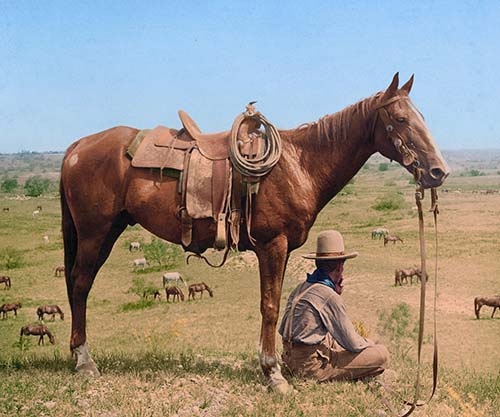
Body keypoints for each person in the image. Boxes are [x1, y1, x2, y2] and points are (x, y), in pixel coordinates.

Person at [279, 230, 389, 382]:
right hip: (310, 366)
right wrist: (370, 344)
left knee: (332, 337)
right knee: (382, 353)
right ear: (339, 268)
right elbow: (352, 343)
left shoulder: (301, 287)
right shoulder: (328, 295)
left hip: (289, 358)